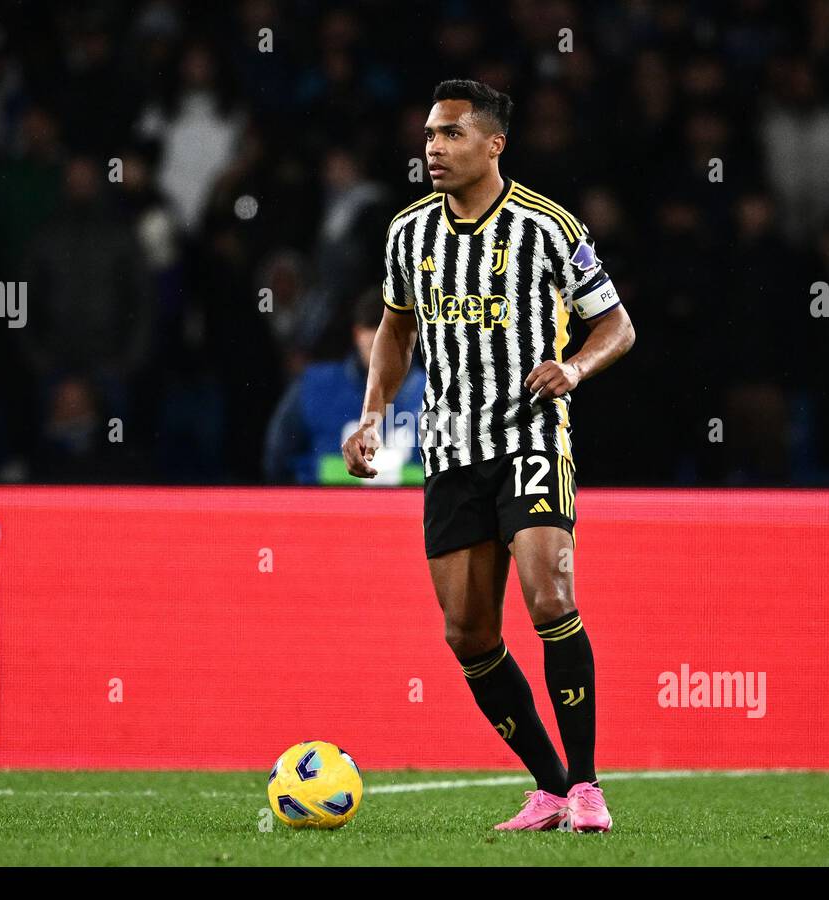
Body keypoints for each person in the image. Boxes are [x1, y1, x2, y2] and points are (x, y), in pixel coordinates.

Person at [341, 80, 635, 831]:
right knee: (468, 633)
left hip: (531, 436)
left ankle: (589, 790)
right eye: (429, 135)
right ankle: (549, 786)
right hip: (450, 448)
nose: (433, 148)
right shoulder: (408, 232)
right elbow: (396, 330)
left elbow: (618, 328)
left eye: (450, 135)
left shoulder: (548, 227)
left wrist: (572, 368)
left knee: (551, 601)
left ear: (493, 144)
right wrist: (373, 414)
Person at [264, 289, 425, 485]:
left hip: (413, 513)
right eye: (374, 344)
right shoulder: (315, 386)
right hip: (325, 511)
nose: (383, 351)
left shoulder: (437, 393)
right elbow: (278, 458)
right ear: (357, 334)